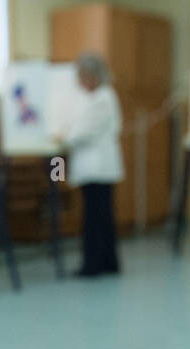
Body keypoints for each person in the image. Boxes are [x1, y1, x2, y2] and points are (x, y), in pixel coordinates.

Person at [61, 52, 124, 277]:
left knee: (96, 219)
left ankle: (93, 265)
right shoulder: (95, 97)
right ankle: (108, 262)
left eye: (82, 76)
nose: (80, 82)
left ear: (92, 75)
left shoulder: (103, 98)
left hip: (98, 167)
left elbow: (84, 131)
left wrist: (64, 138)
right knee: (102, 217)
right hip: (96, 167)